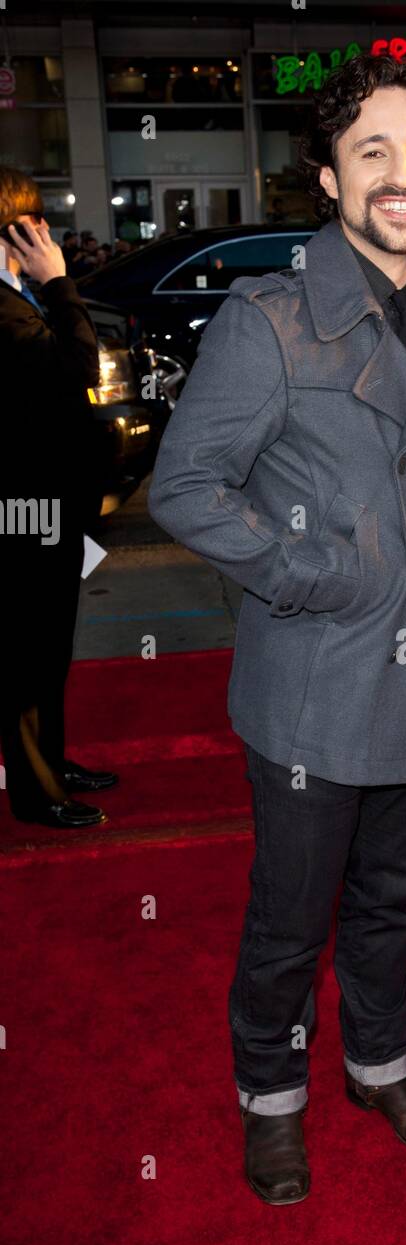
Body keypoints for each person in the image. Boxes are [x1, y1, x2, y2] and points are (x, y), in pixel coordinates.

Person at [148, 54, 406, 1205]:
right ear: (328, 176)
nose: (400, 174)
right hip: (316, 682)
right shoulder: (270, 319)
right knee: (291, 920)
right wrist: (310, 570)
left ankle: (378, 1065)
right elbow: (183, 486)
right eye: (372, 151)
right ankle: (271, 1097)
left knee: (394, 903)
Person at [0, 168, 117, 829]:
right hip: (20, 512)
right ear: (18, 229)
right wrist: (58, 281)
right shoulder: (10, 305)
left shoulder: (19, 296)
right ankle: (35, 789)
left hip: (50, 509)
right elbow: (79, 367)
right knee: (22, 649)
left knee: (48, 646)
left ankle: (53, 761)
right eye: (37, 221)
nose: (48, 233)